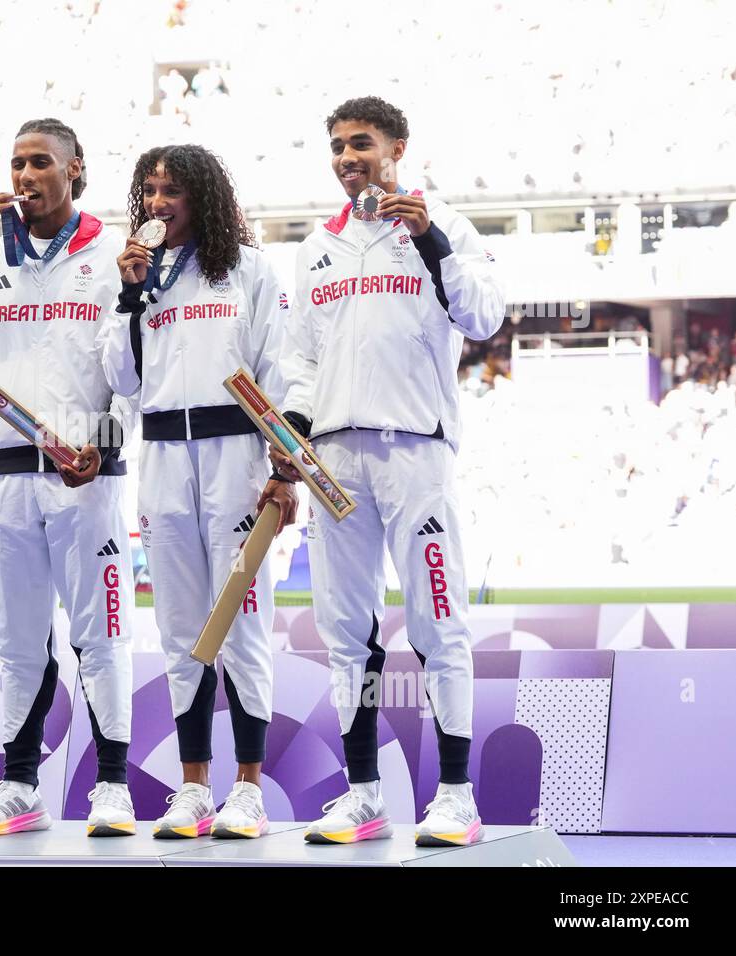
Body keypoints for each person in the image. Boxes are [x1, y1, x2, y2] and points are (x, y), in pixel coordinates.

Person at [278, 97, 505, 846]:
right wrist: (296, 430)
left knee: (440, 625)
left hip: (416, 451)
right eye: (339, 147)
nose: (349, 158)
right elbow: (302, 360)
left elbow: (484, 316)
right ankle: (364, 793)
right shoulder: (318, 249)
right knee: (347, 631)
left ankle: (457, 796)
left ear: (398, 147)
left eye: (362, 144)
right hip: (336, 462)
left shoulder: (447, 226)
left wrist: (429, 236)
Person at [0, 118, 138, 837]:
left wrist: (106, 443)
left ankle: (112, 785)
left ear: (74, 169)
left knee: (101, 635)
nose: (25, 177)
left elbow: (129, 370)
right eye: (16, 163)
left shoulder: (113, 250)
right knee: (18, 641)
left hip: (87, 478)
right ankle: (19, 784)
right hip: (2, 475)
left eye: (40, 163)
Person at [101, 144, 297, 840]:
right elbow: (121, 380)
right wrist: (129, 294)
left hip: (234, 458)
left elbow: (280, 367)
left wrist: (286, 466)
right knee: (183, 631)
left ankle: (248, 788)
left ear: (203, 198)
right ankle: (193, 787)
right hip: (161, 456)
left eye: (171, 192)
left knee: (240, 625)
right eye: (149, 192)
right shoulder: (137, 278)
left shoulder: (248, 270)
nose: (157, 204)